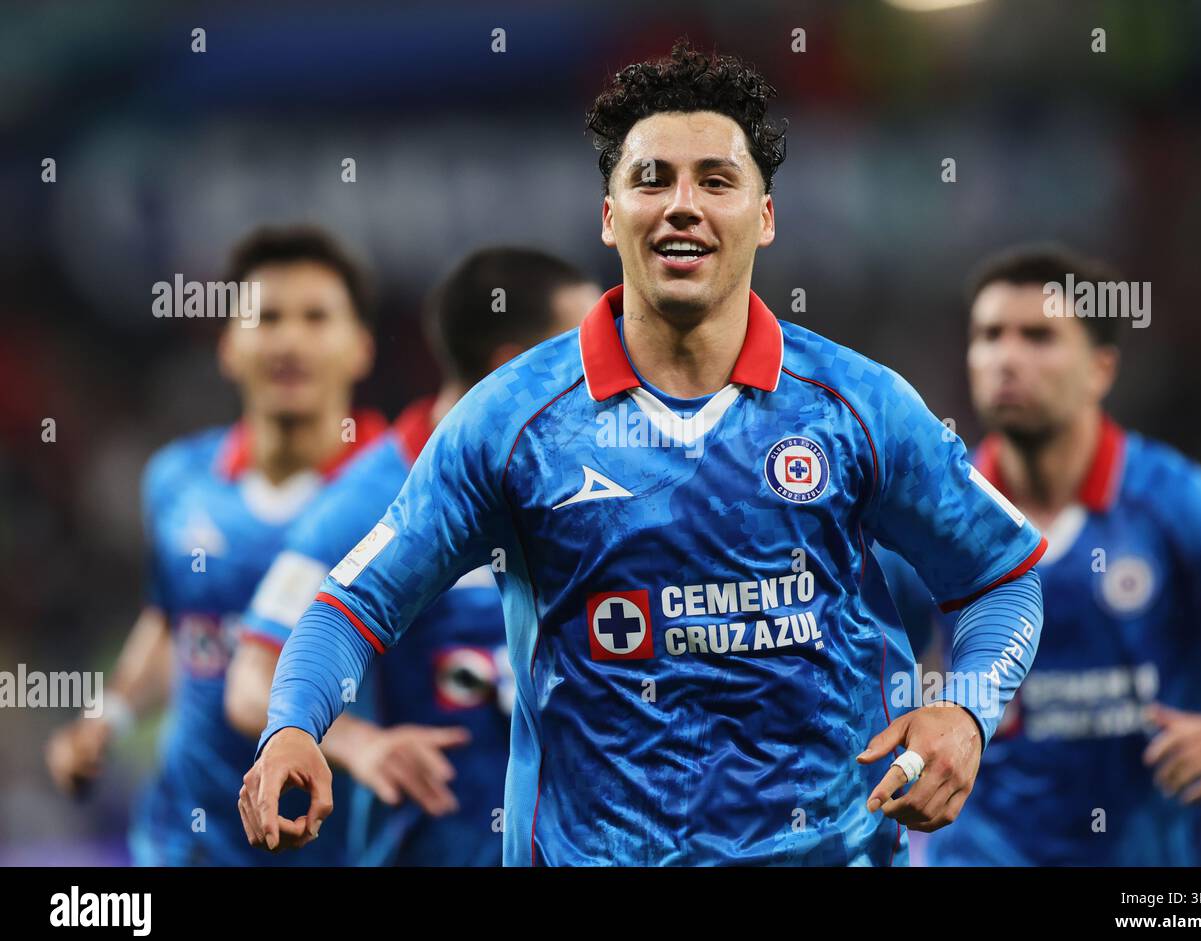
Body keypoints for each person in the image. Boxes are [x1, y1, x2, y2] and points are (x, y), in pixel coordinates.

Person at [240, 42, 1046, 866]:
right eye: (652, 179)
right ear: (609, 214)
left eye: (717, 181)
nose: (682, 205)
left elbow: (1001, 579)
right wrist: (292, 727)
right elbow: (352, 605)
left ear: (764, 217)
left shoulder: (859, 405)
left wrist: (967, 710)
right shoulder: (511, 421)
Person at [882, 243, 1201, 866]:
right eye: (990, 335)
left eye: (1039, 337)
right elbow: (860, 662)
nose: (1007, 358)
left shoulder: (1180, 506)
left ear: (1101, 369)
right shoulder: (932, 513)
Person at [225, 248, 599, 865]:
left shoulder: (589, 482)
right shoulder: (365, 501)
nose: (607, 369)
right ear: (517, 368)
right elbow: (251, 680)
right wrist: (362, 745)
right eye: (579, 353)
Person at [46, 225, 382, 865]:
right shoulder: (177, 482)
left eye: (316, 317)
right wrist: (107, 717)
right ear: (228, 345)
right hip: (181, 844)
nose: (289, 339)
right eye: (267, 317)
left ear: (361, 347)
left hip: (335, 847)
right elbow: (177, 624)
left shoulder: (404, 496)